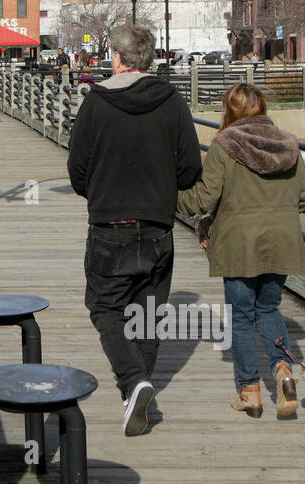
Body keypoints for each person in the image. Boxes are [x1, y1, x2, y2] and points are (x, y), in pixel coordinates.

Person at [67, 24, 203, 436]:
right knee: (147, 314)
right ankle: (137, 391)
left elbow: (77, 173)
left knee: (106, 307)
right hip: (158, 226)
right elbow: (190, 170)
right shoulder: (173, 102)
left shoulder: (96, 103)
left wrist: (103, 188)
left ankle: (133, 382)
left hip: (110, 223)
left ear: (119, 59)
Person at [177, 83, 305, 418]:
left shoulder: (225, 144)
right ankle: (283, 373)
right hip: (281, 240)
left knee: (241, 315)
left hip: (238, 243)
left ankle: (250, 391)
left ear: (230, 111)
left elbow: (203, 199)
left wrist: (167, 196)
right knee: (269, 308)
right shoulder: (289, 144)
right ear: (262, 107)